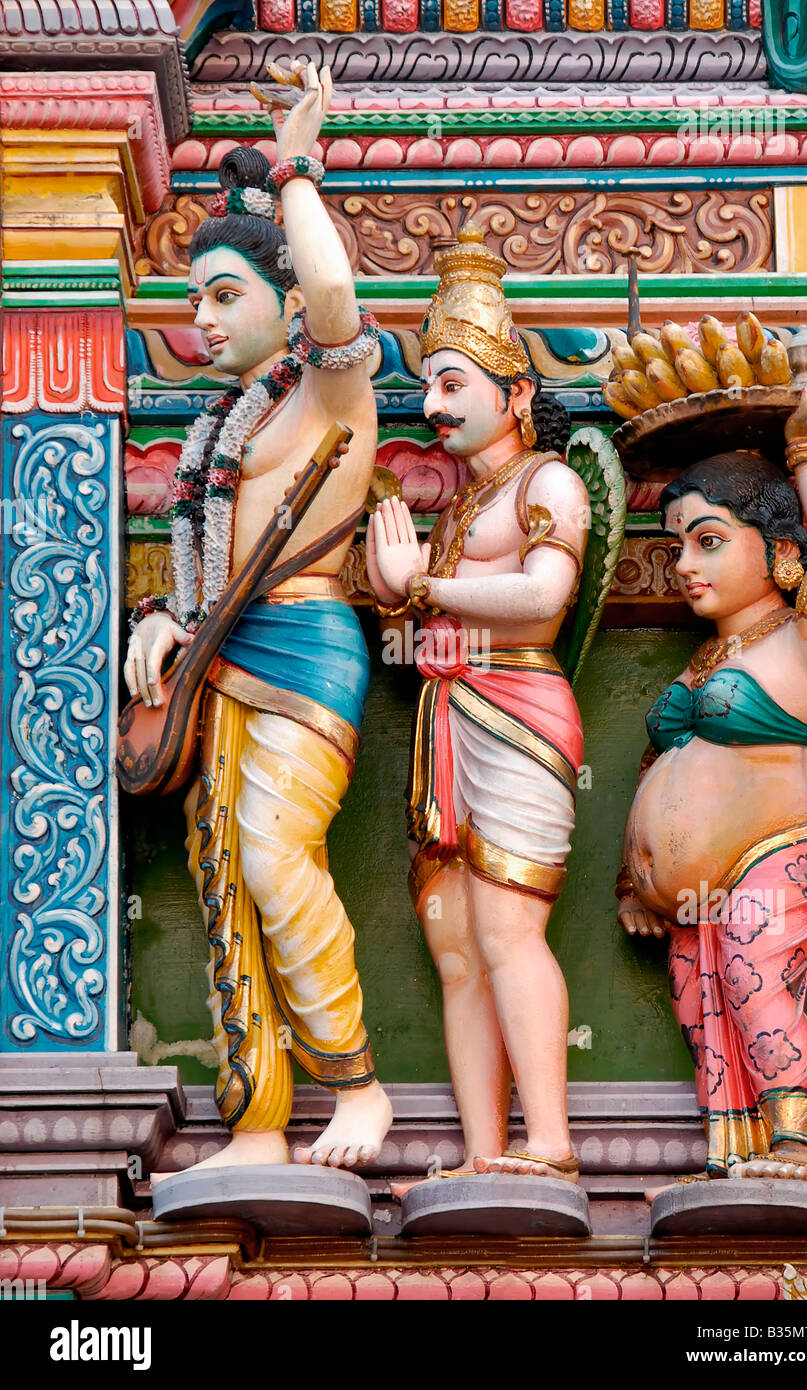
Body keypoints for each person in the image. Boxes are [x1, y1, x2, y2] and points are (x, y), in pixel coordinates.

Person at [124, 62, 392, 1172]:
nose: (199, 321)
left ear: (282, 301)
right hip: (219, 660)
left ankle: (360, 1089)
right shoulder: (225, 425)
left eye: (225, 294)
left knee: (280, 865)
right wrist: (160, 617)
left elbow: (334, 302)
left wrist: (297, 168)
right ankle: (261, 1120)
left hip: (304, 648)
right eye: (194, 299)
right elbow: (201, 558)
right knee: (227, 885)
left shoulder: (332, 390)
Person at [368, 224, 590, 1182]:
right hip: (447, 724)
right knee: (455, 943)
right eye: (428, 385)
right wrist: (391, 586)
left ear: (518, 395)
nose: (432, 405)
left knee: (507, 929)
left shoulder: (550, 483)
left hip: (520, 717)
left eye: (453, 383)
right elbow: (420, 611)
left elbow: (542, 598)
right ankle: (483, 1150)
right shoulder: (457, 511)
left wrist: (419, 589)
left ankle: (550, 1142)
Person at [617, 374, 807, 1182]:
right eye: (677, 545)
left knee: (753, 978)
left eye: (709, 540)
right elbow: (660, 764)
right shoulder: (705, 662)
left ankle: (794, 1141)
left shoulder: (804, 642)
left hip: (773, 845)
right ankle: (734, 1154)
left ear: (784, 554)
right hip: (684, 893)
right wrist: (635, 881)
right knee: (704, 1005)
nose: (684, 564)